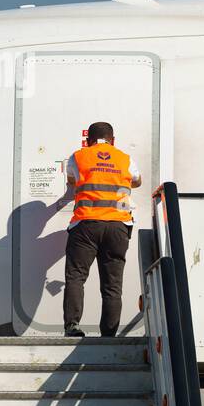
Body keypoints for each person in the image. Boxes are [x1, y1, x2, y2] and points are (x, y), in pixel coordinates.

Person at [62, 121, 142, 337]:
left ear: (88, 140)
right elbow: (137, 181)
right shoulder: (125, 159)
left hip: (86, 225)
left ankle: (72, 327)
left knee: (76, 277)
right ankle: (108, 334)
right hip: (118, 226)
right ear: (112, 140)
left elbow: (71, 180)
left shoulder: (78, 157)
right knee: (112, 285)